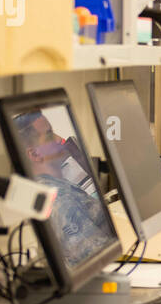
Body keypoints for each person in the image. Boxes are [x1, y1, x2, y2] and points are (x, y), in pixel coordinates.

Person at [14, 110, 115, 266]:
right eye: (49, 135)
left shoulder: (60, 184)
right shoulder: (56, 199)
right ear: (34, 154)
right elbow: (98, 255)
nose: (60, 139)